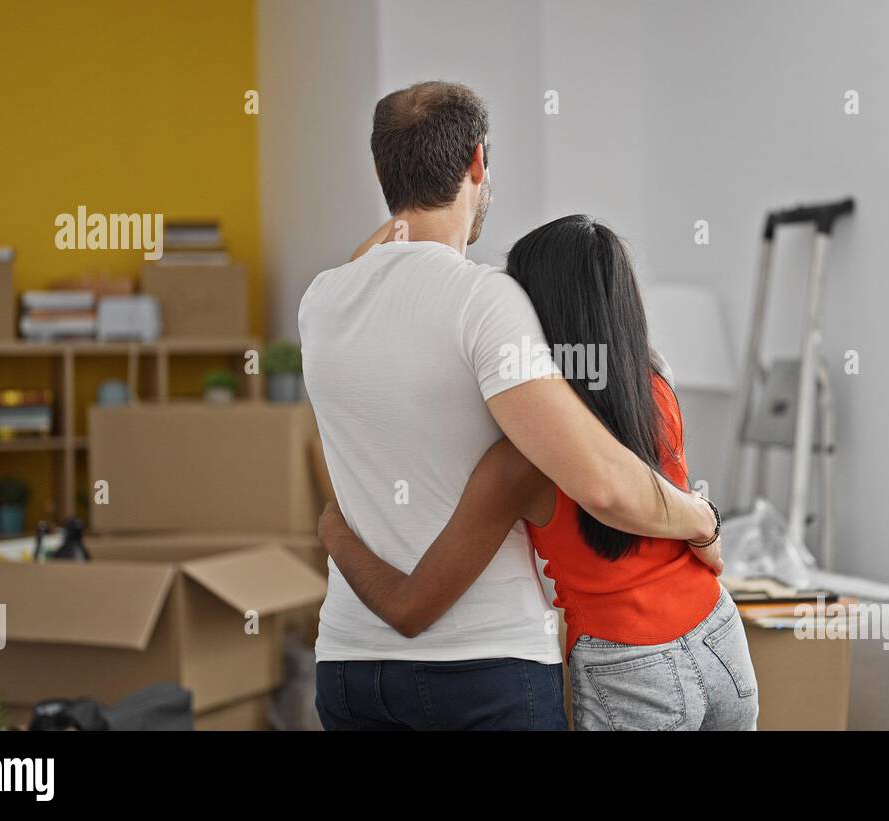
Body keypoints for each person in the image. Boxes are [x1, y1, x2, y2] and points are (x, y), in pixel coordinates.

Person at [298, 81, 719, 731]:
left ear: (383, 175)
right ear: (476, 163)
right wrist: (700, 517)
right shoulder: (488, 302)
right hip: (480, 668)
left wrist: (408, 180)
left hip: (349, 665)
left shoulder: (321, 301)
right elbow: (604, 484)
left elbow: (377, 258)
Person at [320, 214, 760, 731]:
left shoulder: (522, 461)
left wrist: (333, 529)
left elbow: (410, 608)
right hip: (720, 633)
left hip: (630, 664)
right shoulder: (656, 388)